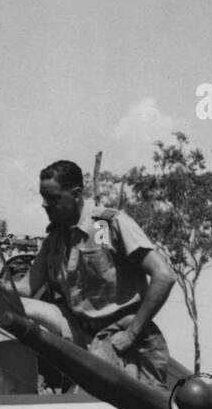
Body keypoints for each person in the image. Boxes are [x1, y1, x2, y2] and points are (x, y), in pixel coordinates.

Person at [13, 160, 176, 388]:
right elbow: (24, 289)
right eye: (43, 197)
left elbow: (164, 276)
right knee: (15, 307)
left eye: (53, 197)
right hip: (78, 328)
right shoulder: (55, 239)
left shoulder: (104, 226)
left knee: (92, 406)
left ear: (77, 194)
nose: (44, 205)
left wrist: (131, 334)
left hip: (120, 336)